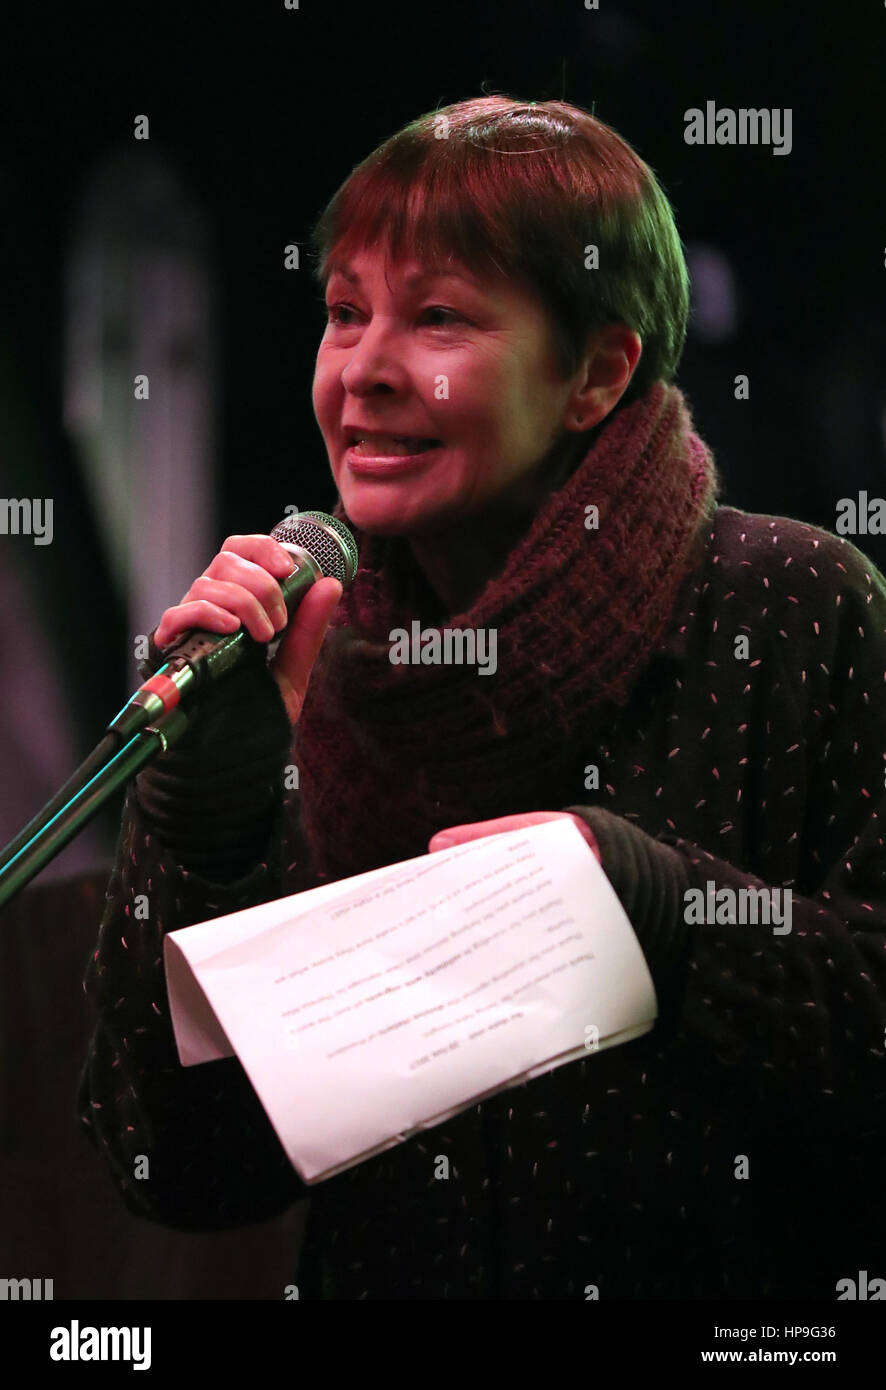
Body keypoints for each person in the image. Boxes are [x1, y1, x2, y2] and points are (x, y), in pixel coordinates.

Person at [78, 95, 886, 1300]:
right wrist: (204, 825)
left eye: (439, 317)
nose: (363, 369)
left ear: (597, 371)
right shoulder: (307, 658)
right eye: (344, 311)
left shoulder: (793, 603)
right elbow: (179, 1169)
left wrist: (664, 915)